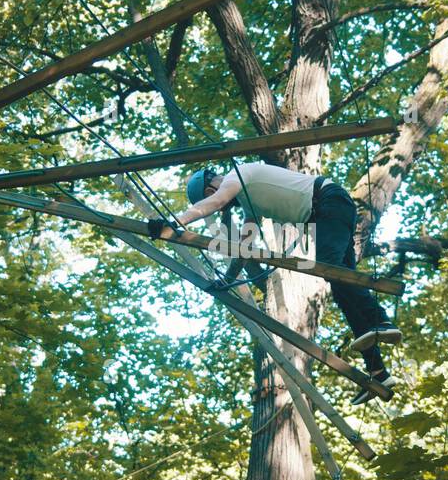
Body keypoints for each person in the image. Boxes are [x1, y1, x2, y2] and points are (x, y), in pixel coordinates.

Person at [146, 162, 401, 404]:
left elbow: (217, 201)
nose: (224, 208)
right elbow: (244, 248)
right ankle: (378, 370)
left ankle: (380, 320)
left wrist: (173, 224)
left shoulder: (237, 175)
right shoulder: (249, 202)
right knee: (342, 282)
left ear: (210, 188)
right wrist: (227, 280)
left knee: (333, 269)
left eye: (211, 195)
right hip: (329, 208)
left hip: (328, 202)